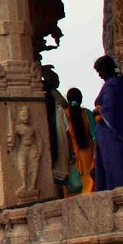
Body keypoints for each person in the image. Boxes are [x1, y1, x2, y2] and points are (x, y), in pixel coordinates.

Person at [94, 56, 123, 190]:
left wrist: (98, 110)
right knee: (116, 166)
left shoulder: (112, 85)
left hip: (112, 133)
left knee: (114, 167)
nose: (99, 75)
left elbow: (109, 108)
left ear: (106, 69)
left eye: (100, 71)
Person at [43, 67, 71, 195]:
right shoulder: (50, 94)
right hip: (48, 129)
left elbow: (64, 106)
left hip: (53, 130)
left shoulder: (52, 94)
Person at [66, 86, 97, 194]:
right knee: (90, 182)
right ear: (81, 99)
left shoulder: (65, 115)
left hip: (72, 156)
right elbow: (95, 134)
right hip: (88, 153)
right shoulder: (87, 113)